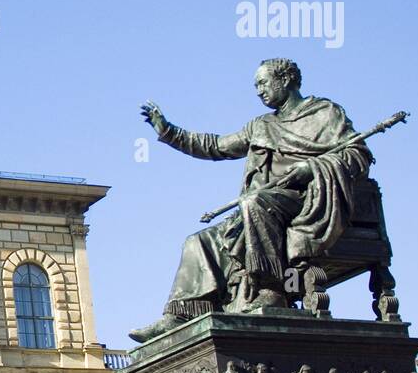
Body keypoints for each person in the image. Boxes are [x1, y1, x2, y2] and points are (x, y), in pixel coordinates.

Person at [130, 59, 370, 342]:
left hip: (307, 201)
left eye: (263, 83)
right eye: (256, 85)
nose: (259, 91)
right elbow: (217, 146)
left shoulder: (325, 113)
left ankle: (271, 289)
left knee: (255, 202)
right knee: (199, 240)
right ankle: (179, 315)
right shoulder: (261, 125)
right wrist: (169, 131)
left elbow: (358, 156)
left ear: (286, 79)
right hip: (267, 205)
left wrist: (312, 169)